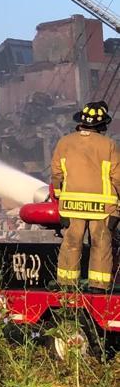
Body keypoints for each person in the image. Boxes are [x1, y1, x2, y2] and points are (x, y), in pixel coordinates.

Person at [52, 101, 120, 292]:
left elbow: (57, 175)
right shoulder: (109, 145)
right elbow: (117, 177)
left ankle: (66, 284)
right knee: (101, 243)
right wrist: (118, 208)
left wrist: (60, 200)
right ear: (102, 125)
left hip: (72, 206)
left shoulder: (64, 143)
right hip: (102, 208)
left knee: (71, 242)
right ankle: (98, 286)